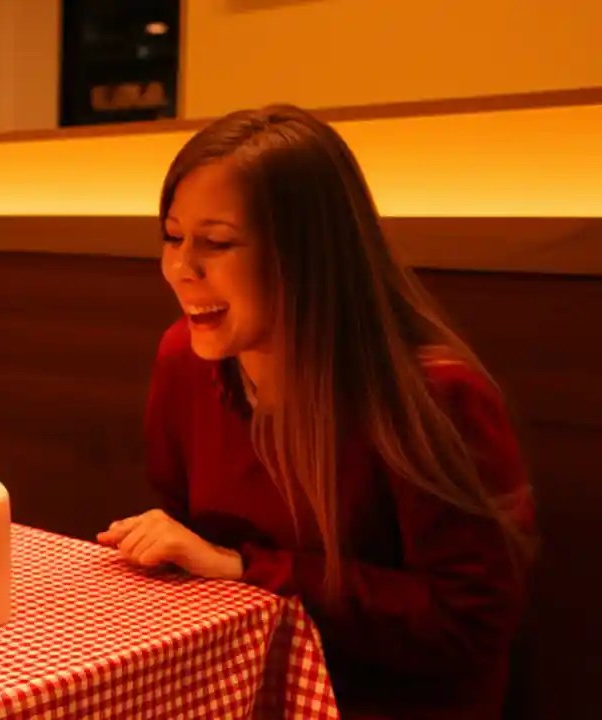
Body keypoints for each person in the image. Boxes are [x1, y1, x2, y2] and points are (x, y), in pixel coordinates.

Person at [96, 104, 535, 719]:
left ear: (308, 254)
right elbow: (187, 530)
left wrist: (245, 567)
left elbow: (469, 623)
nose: (179, 268)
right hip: (237, 690)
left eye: (216, 243)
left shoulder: (433, 395)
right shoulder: (184, 361)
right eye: (172, 237)